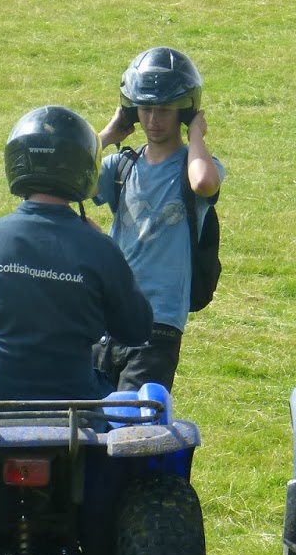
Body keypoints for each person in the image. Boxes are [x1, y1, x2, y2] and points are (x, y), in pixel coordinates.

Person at [0, 105, 152, 404]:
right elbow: (136, 329)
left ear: (16, 161)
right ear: (84, 169)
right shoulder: (101, 248)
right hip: (76, 402)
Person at [91, 46, 224, 393]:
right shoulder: (121, 166)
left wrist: (197, 136)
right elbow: (62, 178)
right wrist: (109, 134)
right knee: (86, 415)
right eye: (145, 109)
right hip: (107, 317)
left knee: (133, 418)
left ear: (184, 111)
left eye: (164, 110)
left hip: (159, 322)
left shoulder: (195, 167)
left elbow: (204, 183)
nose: (153, 120)